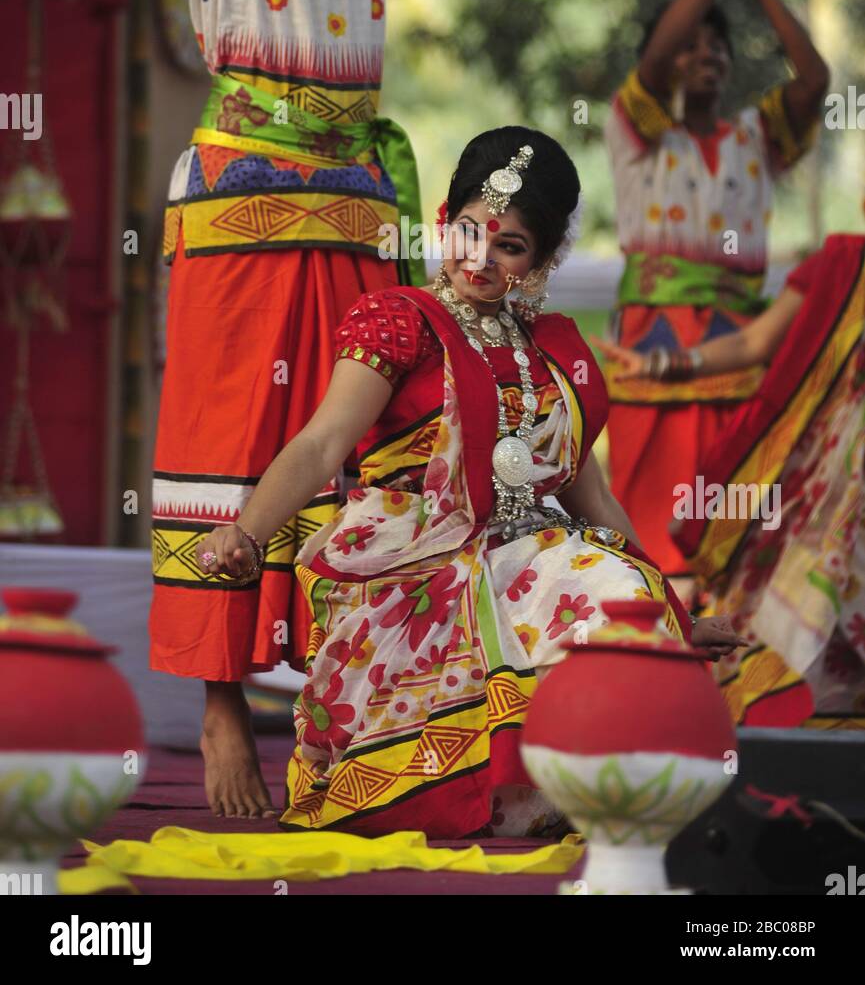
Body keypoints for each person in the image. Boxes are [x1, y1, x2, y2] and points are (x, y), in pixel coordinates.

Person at [149, 0, 489, 818]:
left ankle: (354, 708)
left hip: (351, 213)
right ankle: (222, 704)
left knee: (359, 453)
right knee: (227, 446)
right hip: (242, 213)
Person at [195, 129, 743, 834]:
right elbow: (323, 439)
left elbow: (594, 500)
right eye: (468, 231)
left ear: (540, 260)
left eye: (509, 245)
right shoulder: (400, 322)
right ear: (443, 223)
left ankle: (563, 785)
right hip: (409, 567)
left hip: (528, 560)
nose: (479, 258)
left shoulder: (546, 349)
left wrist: (670, 616)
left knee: (609, 590)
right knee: (585, 579)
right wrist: (247, 529)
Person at [603, 0, 829, 582]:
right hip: (655, 336)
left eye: (718, 49)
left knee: (736, 502)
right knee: (654, 505)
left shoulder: (756, 136)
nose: (706, 56)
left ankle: (728, 627)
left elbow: (815, 77)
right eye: (690, 47)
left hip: (737, 339)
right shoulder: (636, 128)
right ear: (664, 61)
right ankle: (650, 623)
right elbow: (655, 53)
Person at [598, 222, 865, 729]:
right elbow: (752, 345)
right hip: (837, 489)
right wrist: (660, 362)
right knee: (816, 607)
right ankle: (802, 734)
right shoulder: (845, 264)